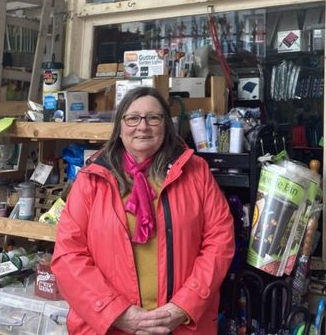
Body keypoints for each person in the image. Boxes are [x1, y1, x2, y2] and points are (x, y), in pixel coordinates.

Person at [52, 87, 235, 334]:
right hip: (111, 327)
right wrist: (116, 313)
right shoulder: (92, 179)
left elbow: (220, 241)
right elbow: (68, 255)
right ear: (119, 127)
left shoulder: (195, 172)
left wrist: (183, 307)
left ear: (166, 125)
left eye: (153, 118)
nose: (143, 126)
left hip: (180, 325)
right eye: (132, 118)